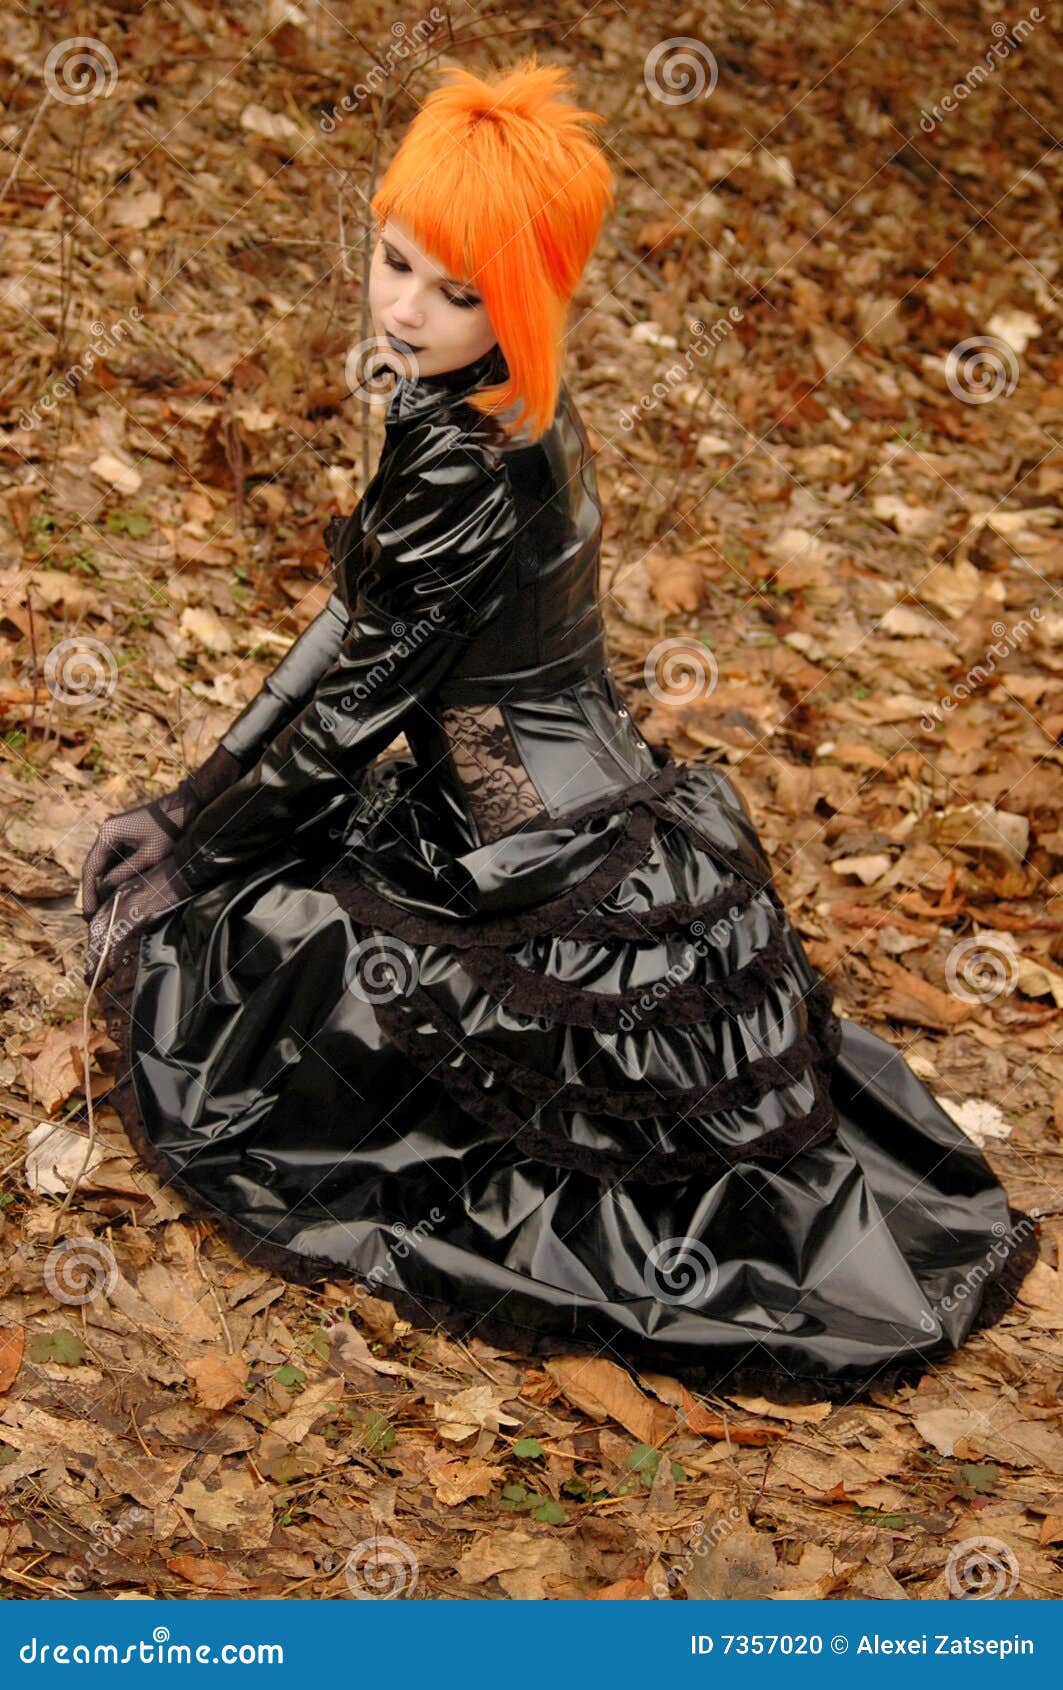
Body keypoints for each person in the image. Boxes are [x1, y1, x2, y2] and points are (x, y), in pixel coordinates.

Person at [82, 57, 1037, 1403]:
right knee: (259, 898)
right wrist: (192, 804)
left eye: (456, 290)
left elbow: (356, 707)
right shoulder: (508, 407)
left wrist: (196, 852)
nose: (406, 309)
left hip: (550, 878)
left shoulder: (466, 456)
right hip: (588, 824)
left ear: (521, 300)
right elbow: (361, 631)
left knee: (259, 955)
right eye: (395, 259)